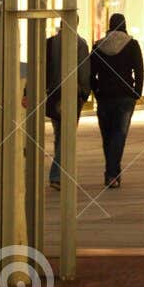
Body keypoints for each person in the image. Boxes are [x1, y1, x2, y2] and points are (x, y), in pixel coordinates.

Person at [90, 14, 143, 188]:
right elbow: (139, 70)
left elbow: (91, 73)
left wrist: (96, 91)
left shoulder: (99, 46)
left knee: (107, 136)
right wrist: (137, 92)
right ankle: (112, 173)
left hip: (104, 96)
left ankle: (111, 173)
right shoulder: (132, 44)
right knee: (119, 134)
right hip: (125, 96)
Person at [45, 26, 90, 189]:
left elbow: (43, 67)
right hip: (71, 95)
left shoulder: (49, 43)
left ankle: (60, 173)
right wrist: (85, 92)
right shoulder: (80, 44)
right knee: (67, 136)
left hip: (53, 95)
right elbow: (84, 71)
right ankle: (56, 175)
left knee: (59, 134)